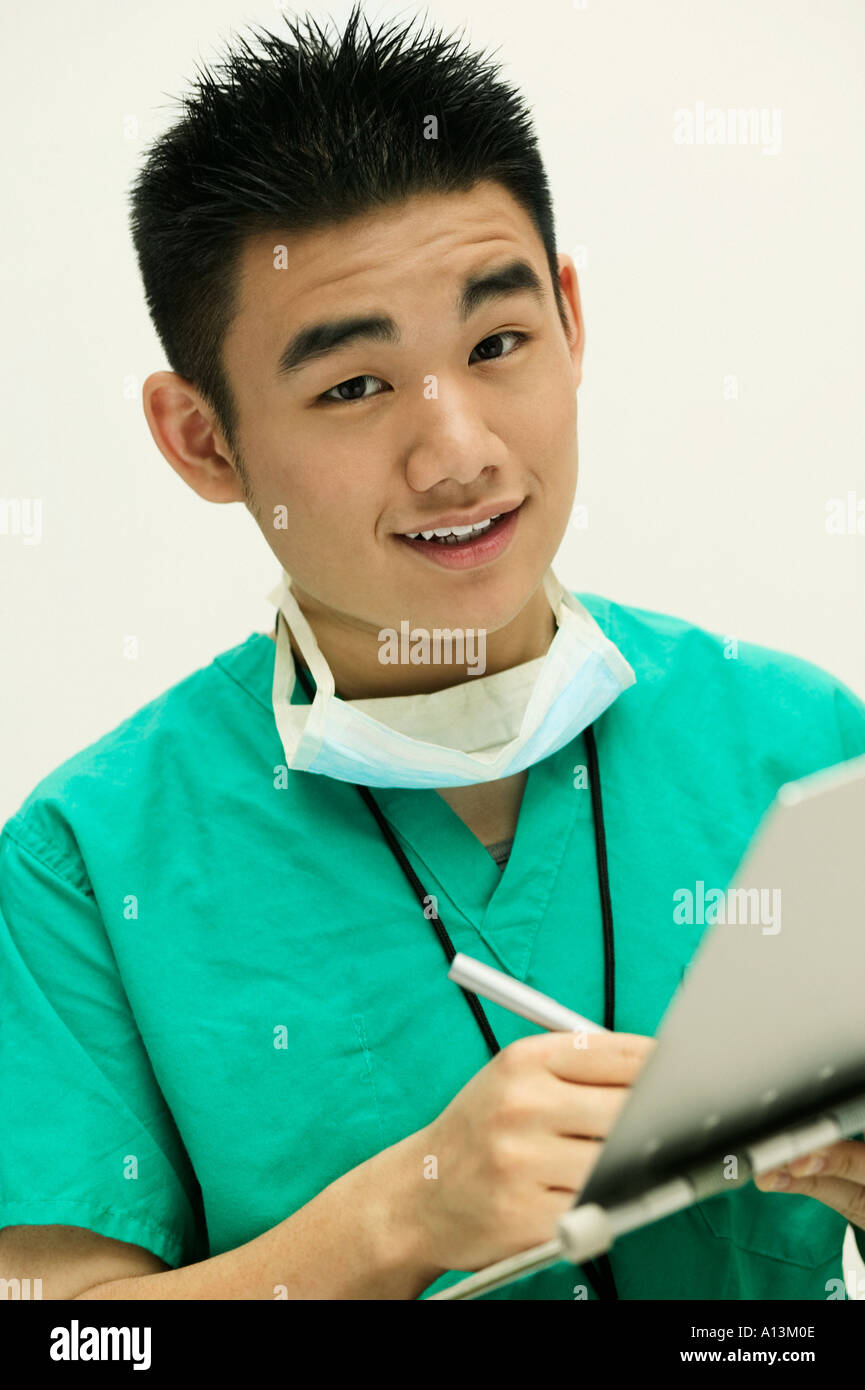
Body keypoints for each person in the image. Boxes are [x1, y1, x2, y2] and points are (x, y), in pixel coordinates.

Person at [1, 5, 864, 1302]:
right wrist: (395, 1217)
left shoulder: (803, 751)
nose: (456, 450)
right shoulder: (87, 859)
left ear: (570, 320)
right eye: (353, 386)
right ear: (202, 439)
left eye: (497, 343)